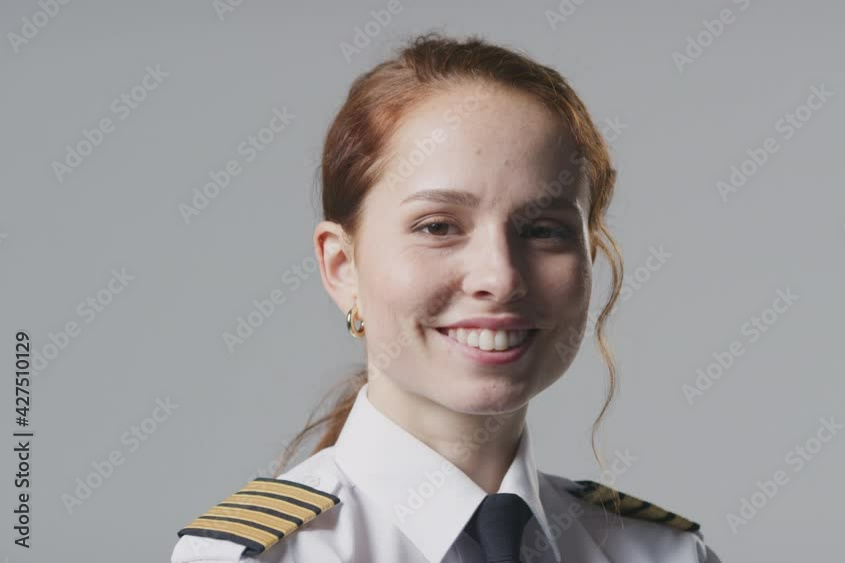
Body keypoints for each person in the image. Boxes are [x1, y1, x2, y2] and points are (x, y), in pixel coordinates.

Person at [171, 33, 722, 563]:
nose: (501, 277)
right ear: (342, 267)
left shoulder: (664, 553)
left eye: (544, 230)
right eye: (438, 226)